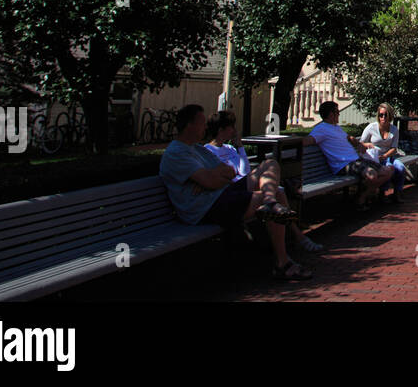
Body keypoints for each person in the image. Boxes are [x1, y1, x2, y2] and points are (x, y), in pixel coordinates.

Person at [159, 104, 316, 281]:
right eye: (202, 123)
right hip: (205, 208)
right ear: (189, 125)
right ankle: (283, 263)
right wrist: (212, 179)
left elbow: (229, 172)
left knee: (271, 165)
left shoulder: (198, 149)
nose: (205, 127)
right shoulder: (176, 153)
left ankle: (270, 203)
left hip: (220, 194)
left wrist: (210, 179)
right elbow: (213, 180)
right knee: (276, 195)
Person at [204, 109, 324, 255]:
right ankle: (297, 237)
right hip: (230, 193)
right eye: (232, 127)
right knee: (278, 191)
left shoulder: (229, 148)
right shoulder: (208, 151)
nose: (235, 130)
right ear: (221, 129)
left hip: (242, 185)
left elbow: (244, 171)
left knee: (271, 165)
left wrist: (240, 146)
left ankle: (272, 206)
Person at [304, 101, 392, 206]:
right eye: (337, 112)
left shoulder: (336, 128)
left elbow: (348, 137)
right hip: (343, 164)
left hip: (356, 161)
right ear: (331, 114)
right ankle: (361, 198)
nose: (339, 114)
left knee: (389, 170)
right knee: (372, 175)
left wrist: (359, 144)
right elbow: (308, 140)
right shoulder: (321, 129)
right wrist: (291, 141)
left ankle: (364, 195)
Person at [359, 103, 407, 204]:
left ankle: (398, 192)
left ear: (390, 116)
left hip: (388, 156)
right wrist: (368, 145)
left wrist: (385, 156)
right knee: (389, 168)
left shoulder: (394, 130)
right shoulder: (371, 127)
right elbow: (361, 143)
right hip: (374, 158)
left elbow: (394, 148)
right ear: (378, 116)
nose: (383, 117)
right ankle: (382, 193)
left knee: (401, 167)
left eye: (386, 115)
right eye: (381, 115)